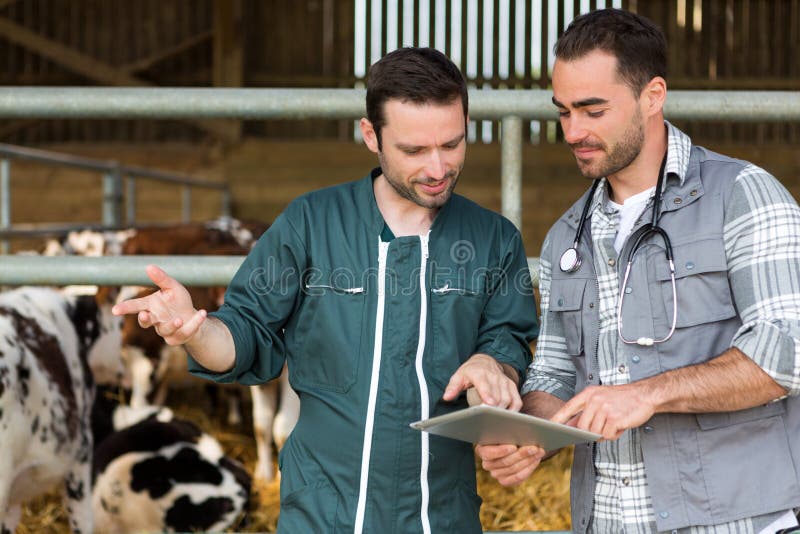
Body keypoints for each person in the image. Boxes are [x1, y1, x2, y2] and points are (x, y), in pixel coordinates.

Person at [112, 47, 539, 533]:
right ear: (370, 135)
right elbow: (246, 332)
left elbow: (508, 338)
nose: (438, 168)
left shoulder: (493, 239)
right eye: (415, 151)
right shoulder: (311, 223)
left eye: (453, 144)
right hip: (322, 515)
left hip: (440, 515)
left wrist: (494, 363)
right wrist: (194, 331)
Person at [476, 8, 800, 534]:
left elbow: (787, 351)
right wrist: (530, 434)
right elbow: (554, 374)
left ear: (653, 96)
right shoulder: (567, 236)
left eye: (592, 110)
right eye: (563, 112)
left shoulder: (744, 196)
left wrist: (647, 394)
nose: (573, 131)